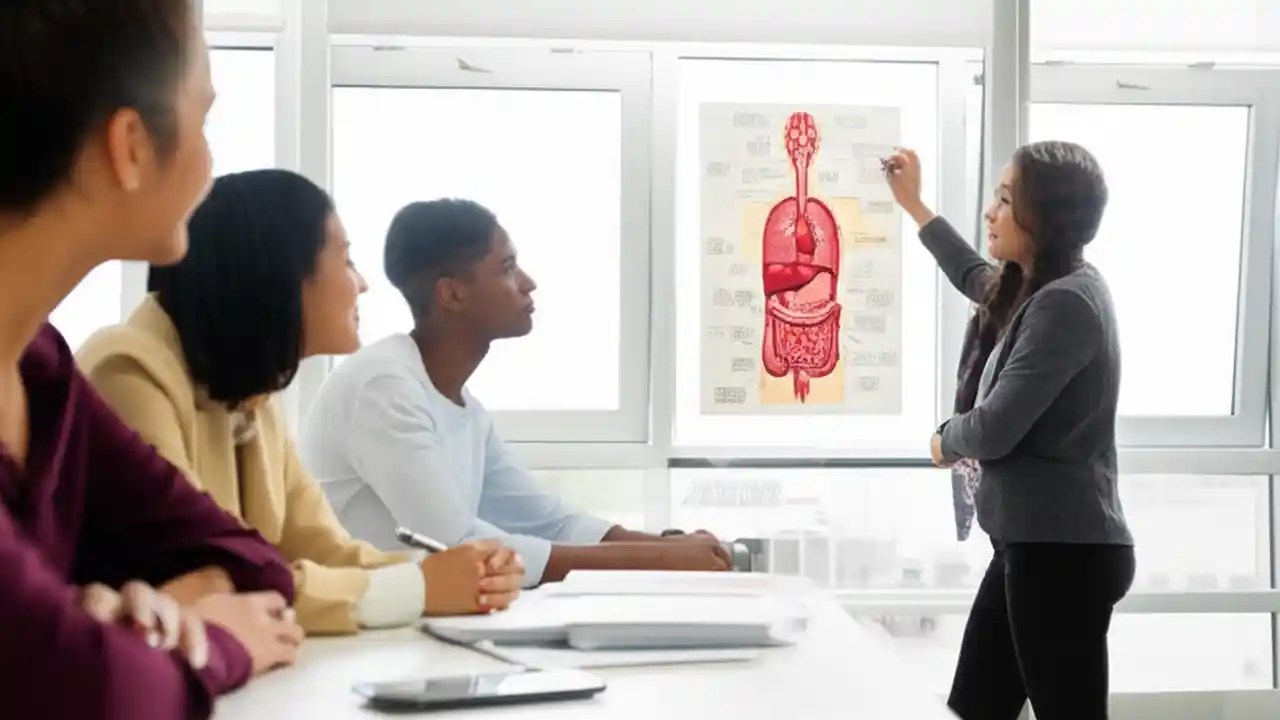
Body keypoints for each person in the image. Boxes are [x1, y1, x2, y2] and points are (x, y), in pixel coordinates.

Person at [0, 2, 305, 718]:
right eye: (203, 120)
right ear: (130, 145)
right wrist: (206, 642)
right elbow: (91, 690)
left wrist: (156, 616)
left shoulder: (40, 370)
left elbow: (252, 560)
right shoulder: (102, 365)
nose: (210, 161)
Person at [79, 170, 525, 636]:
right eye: (347, 260)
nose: (363, 283)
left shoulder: (250, 392)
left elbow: (321, 549)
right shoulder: (130, 371)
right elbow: (201, 584)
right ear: (281, 271)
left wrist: (454, 573)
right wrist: (419, 586)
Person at [300, 198, 732, 586]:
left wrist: (663, 547)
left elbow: (548, 521)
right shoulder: (385, 387)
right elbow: (457, 546)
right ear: (452, 294)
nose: (528, 283)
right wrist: (661, 559)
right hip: (361, 635)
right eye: (506, 268)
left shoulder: (465, 409)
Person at [884, 144, 1134, 720]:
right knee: (975, 708)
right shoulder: (1041, 286)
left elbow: (995, 427)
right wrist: (915, 206)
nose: (990, 213)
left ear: (1043, 217)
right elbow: (976, 276)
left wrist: (945, 439)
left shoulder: (1066, 303)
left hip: (1062, 555)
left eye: (1004, 200)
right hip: (1036, 547)